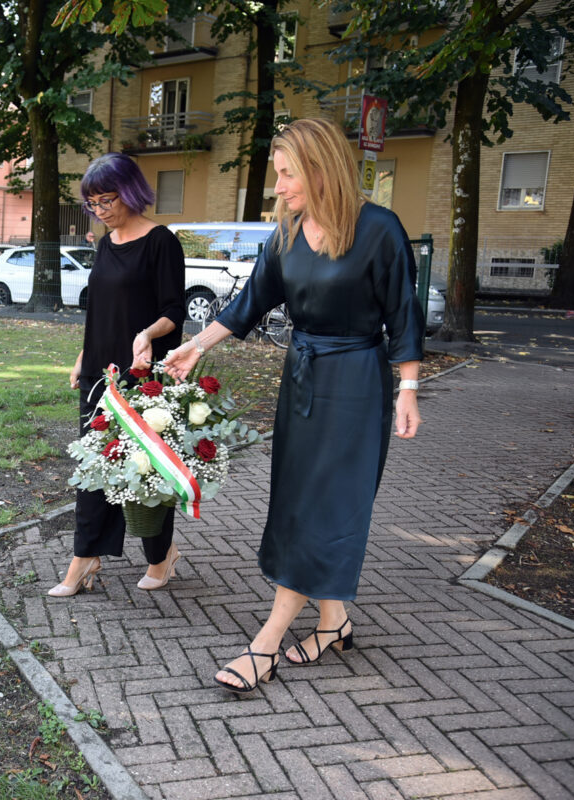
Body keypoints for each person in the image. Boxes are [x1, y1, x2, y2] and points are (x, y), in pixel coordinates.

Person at [162, 118, 425, 694]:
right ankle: (333, 623)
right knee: (298, 498)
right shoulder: (285, 235)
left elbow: (404, 313)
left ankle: (268, 642)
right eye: (278, 174)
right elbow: (247, 304)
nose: (278, 186)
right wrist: (194, 347)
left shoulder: (379, 229)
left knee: (327, 505)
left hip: (357, 384)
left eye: (287, 174)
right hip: (303, 384)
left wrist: (407, 388)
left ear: (320, 167)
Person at [49, 152, 187, 597]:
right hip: (98, 373)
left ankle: (160, 555)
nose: (101, 210)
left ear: (130, 191)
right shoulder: (104, 244)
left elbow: (174, 310)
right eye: (93, 203)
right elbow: (100, 312)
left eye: (107, 199)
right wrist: (81, 356)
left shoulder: (161, 242)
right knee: (94, 464)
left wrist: (147, 334)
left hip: (142, 375)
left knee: (144, 469)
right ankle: (84, 558)